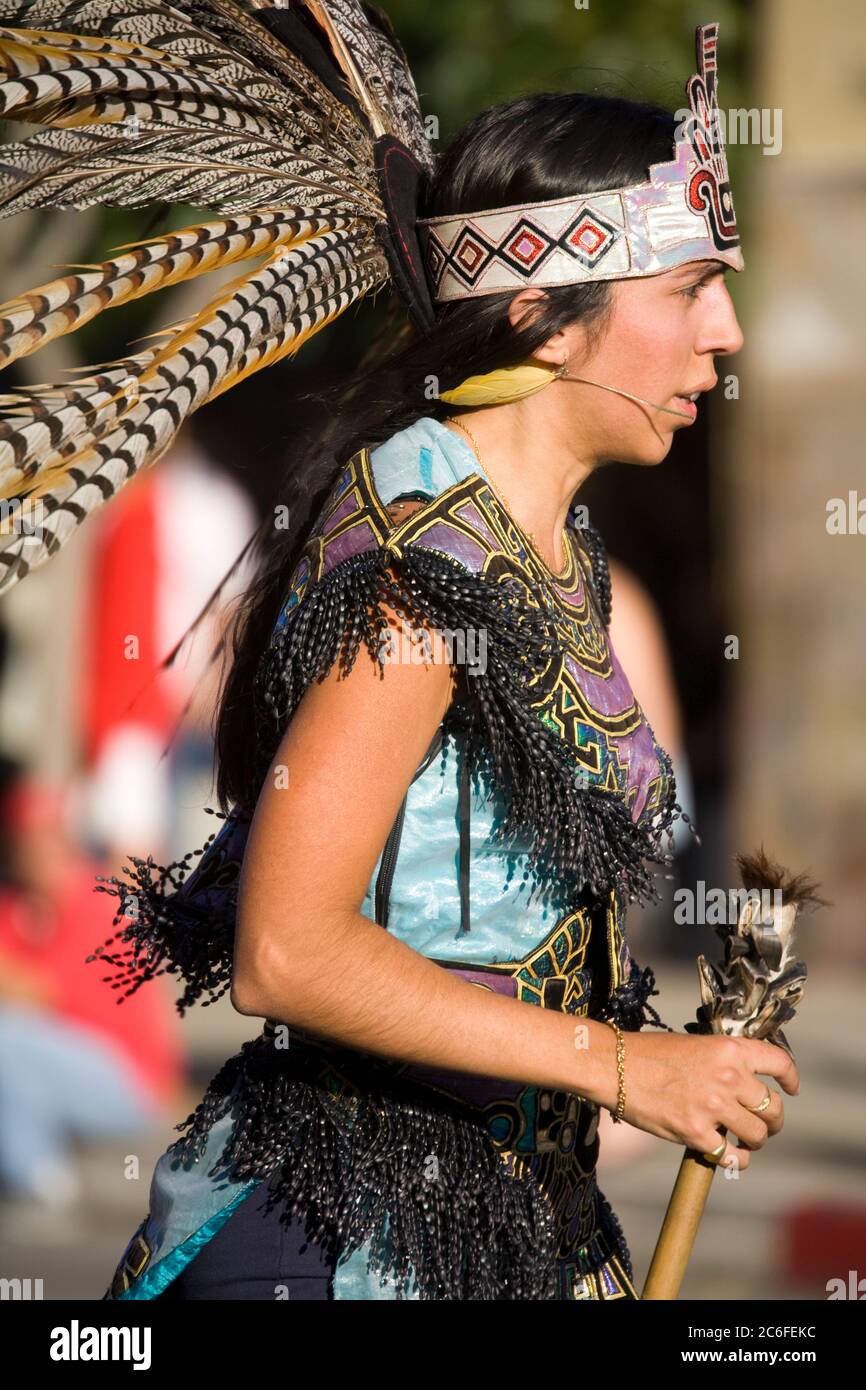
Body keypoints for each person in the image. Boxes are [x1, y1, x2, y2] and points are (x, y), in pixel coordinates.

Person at [0, 10, 800, 1300]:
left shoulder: (551, 552)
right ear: (545, 317)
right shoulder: (413, 584)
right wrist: (625, 1069)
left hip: (511, 1224)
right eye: (691, 290)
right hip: (341, 1242)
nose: (729, 336)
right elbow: (288, 953)